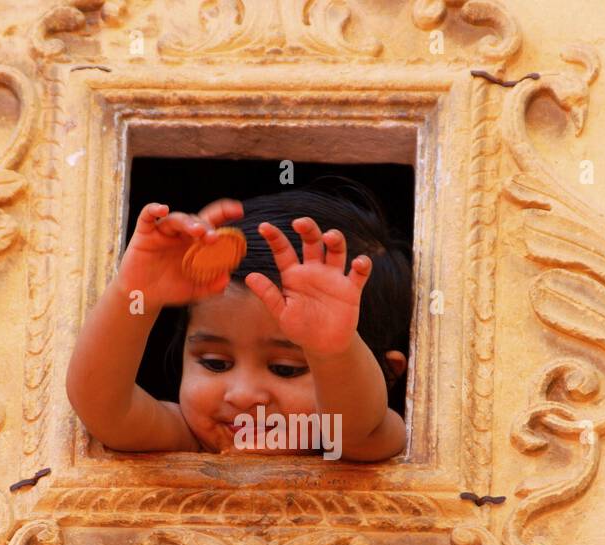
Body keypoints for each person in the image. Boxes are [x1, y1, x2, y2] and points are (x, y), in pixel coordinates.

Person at [66, 178, 411, 461]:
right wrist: (135, 293)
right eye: (215, 363)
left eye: (286, 369)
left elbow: (355, 426)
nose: (243, 396)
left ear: (390, 375)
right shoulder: (188, 439)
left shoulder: (360, 443)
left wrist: (334, 349)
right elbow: (103, 406)